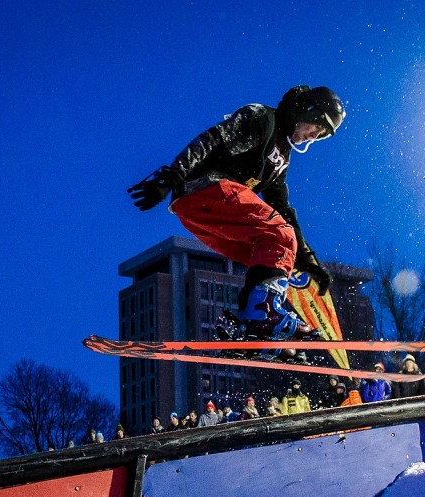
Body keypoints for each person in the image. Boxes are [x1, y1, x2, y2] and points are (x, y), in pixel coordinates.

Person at [127, 85, 344, 343]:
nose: (313, 137)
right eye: (316, 128)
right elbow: (212, 139)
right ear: (306, 111)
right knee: (279, 235)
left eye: (320, 136)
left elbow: (282, 207)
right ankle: (262, 316)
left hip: (199, 213)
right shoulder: (263, 118)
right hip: (208, 187)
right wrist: (171, 176)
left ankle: (248, 327)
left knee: (264, 253)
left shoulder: (282, 156)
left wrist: (308, 261)